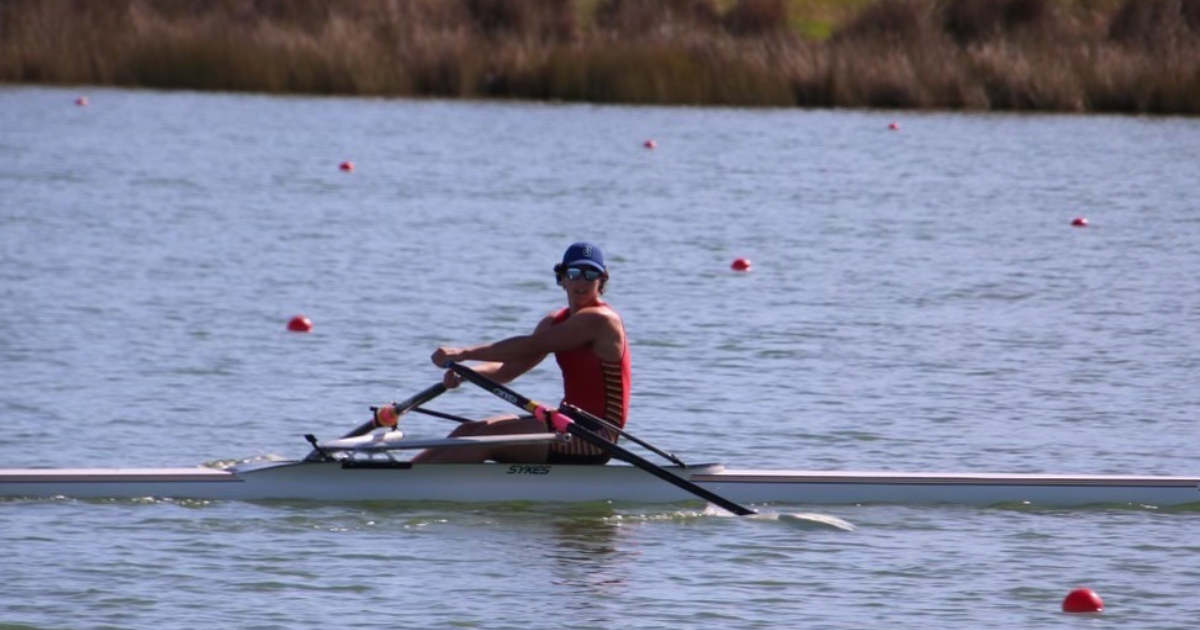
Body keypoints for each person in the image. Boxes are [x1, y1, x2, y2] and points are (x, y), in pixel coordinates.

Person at [411, 242, 630, 464]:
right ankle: (405, 472)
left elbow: (528, 346)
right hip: (567, 421)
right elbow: (509, 369)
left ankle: (409, 484)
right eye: (574, 273)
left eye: (590, 274)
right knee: (469, 430)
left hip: (594, 437)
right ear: (562, 278)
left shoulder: (601, 320)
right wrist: (465, 374)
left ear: (601, 280)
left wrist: (463, 352)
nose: (582, 281)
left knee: (485, 438)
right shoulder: (554, 322)